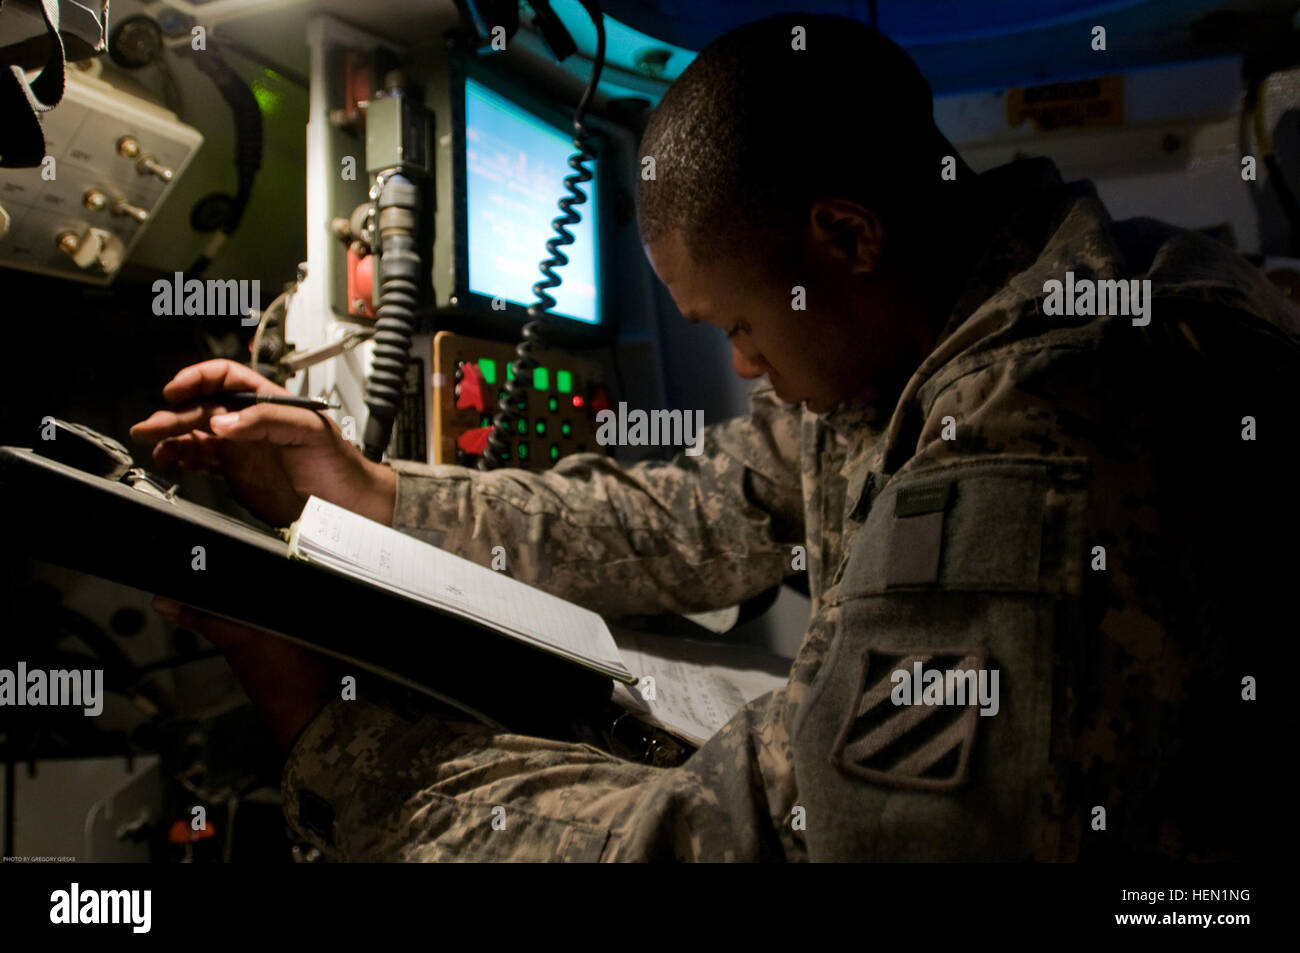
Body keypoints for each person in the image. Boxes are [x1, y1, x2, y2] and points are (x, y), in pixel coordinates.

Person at [131, 15, 1298, 861]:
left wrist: (336, 745)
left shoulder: (1051, 424)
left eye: (741, 323)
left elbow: (790, 850)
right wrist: (382, 492)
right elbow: (697, 512)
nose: (744, 364)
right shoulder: (919, 318)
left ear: (843, 235)